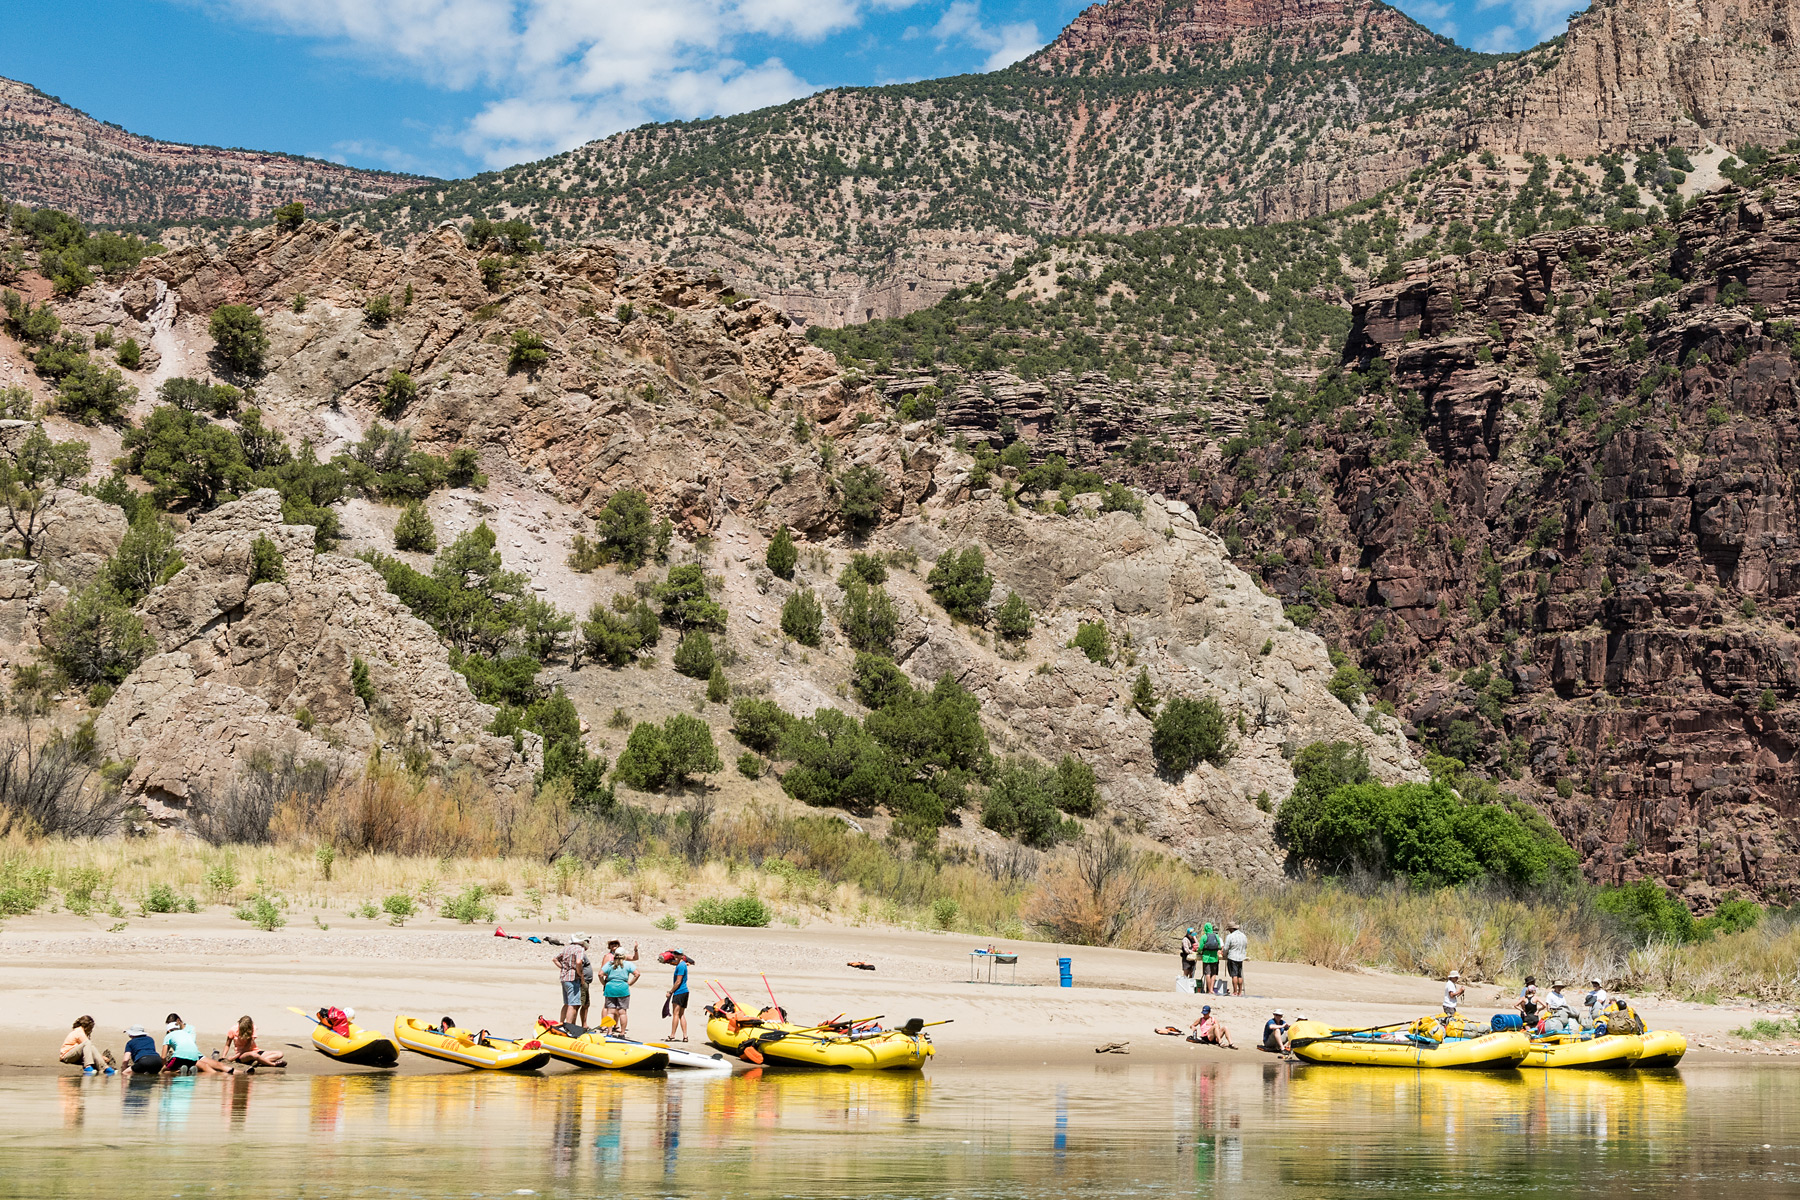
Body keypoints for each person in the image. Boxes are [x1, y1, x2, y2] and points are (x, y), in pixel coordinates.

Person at [163, 1014, 228, 1074]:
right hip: (193, 1055)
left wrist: (163, 1065)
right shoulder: (184, 1033)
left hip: (190, 1056)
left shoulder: (172, 1034)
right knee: (206, 1067)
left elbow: (163, 1056)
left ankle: (179, 1071)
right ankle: (189, 1070)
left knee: (164, 1071)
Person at [600, 955, 641, 1035]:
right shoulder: (628, 964)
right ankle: (622, 1032)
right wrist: (630, 983)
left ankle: (610, 1031)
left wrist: (603, 983)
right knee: (622, 1012)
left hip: (610, 988)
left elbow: (600, 974)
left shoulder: (610, 964)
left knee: (610, 1011)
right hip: (623, 988)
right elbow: (637, 974)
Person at [555, 934, 590, 1028]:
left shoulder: (567, 948)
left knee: (566, 1003)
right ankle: (569, 1026)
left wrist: (563, 968)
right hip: (573, 978)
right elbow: (578, 962)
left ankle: (561, 1023)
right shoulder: (579, 949)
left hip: (564, 978)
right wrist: (580, 974)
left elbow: (555, 959)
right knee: (573, 1005)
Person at [665, 950, 692, 1042]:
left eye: (678, 954)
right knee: (681, 1014)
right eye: (675, 954)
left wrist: (670, 991)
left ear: (682, 956)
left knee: (676, 1014)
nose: (676, 956)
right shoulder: (683, 964)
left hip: (679, 992)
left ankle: (672, 1035)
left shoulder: (681, 966)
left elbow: (678, 981)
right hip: (685, 992)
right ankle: (685, 1036)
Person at [1223, 923, 1248, 997]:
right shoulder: (1243, 936)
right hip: (1241, 957)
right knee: (1239, 974)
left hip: (1232, 956)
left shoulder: (1230, 936)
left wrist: (1224, 954)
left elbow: (1226, 948)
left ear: (1231, 929)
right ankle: (1240, 992)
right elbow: (1245, 946)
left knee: (1234, 974)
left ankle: (1235, 991)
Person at [1199, 923, 1222, 993]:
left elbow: (1200, 947)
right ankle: (1211, 989)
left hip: (1206, 958)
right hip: (1214, 958)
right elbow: (1220, 946)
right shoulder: (1216, 936)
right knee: (1213, 974)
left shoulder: (1204, 937)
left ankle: (1209, 990)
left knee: (1207, 974)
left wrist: (1199, 951)